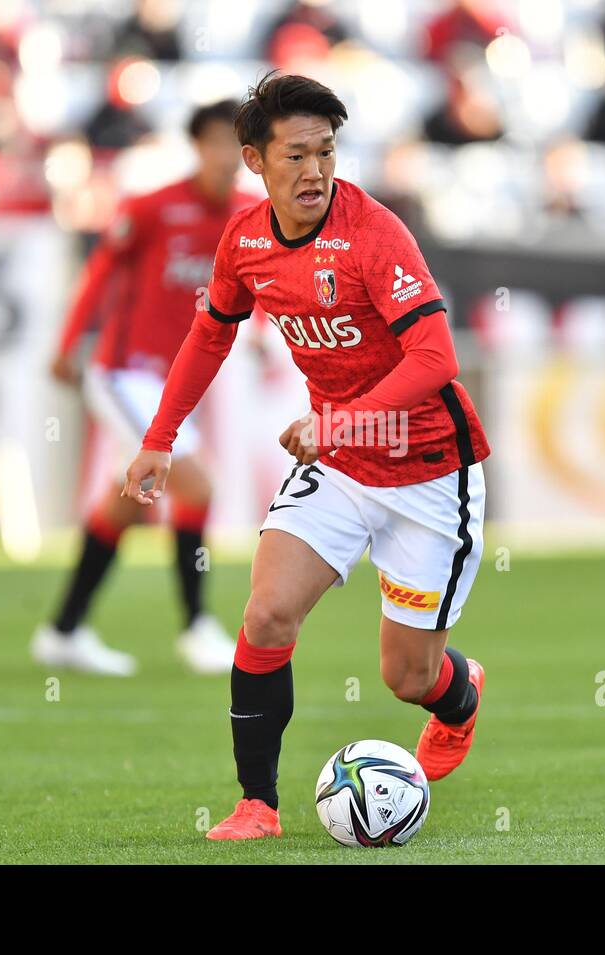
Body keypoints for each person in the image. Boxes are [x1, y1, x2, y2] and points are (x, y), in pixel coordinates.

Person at [123, 72, 491, 839]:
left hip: (430, 471)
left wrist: (345, 422)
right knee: (265, 614)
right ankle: (258, 802)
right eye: (296, 155)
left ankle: (460, 694)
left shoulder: (372, 232)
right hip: (343, 465)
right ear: (254, 159)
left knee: (406, 676)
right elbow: (211, 333)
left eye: (326, 151)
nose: (316, 170)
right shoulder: (247, 238)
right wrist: (159, 438)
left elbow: (436, 356)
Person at [33, 100, 255, 677]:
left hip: (170, 385)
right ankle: (197, 628)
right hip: (125, 372)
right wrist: (68, 345)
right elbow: (102, 271)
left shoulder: (247, 217)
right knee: (198, 489)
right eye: (214, 141)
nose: (224, 154)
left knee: (124, 505)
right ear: (197, 145)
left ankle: (63, 629)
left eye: (234, 143)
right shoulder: (155, 208)